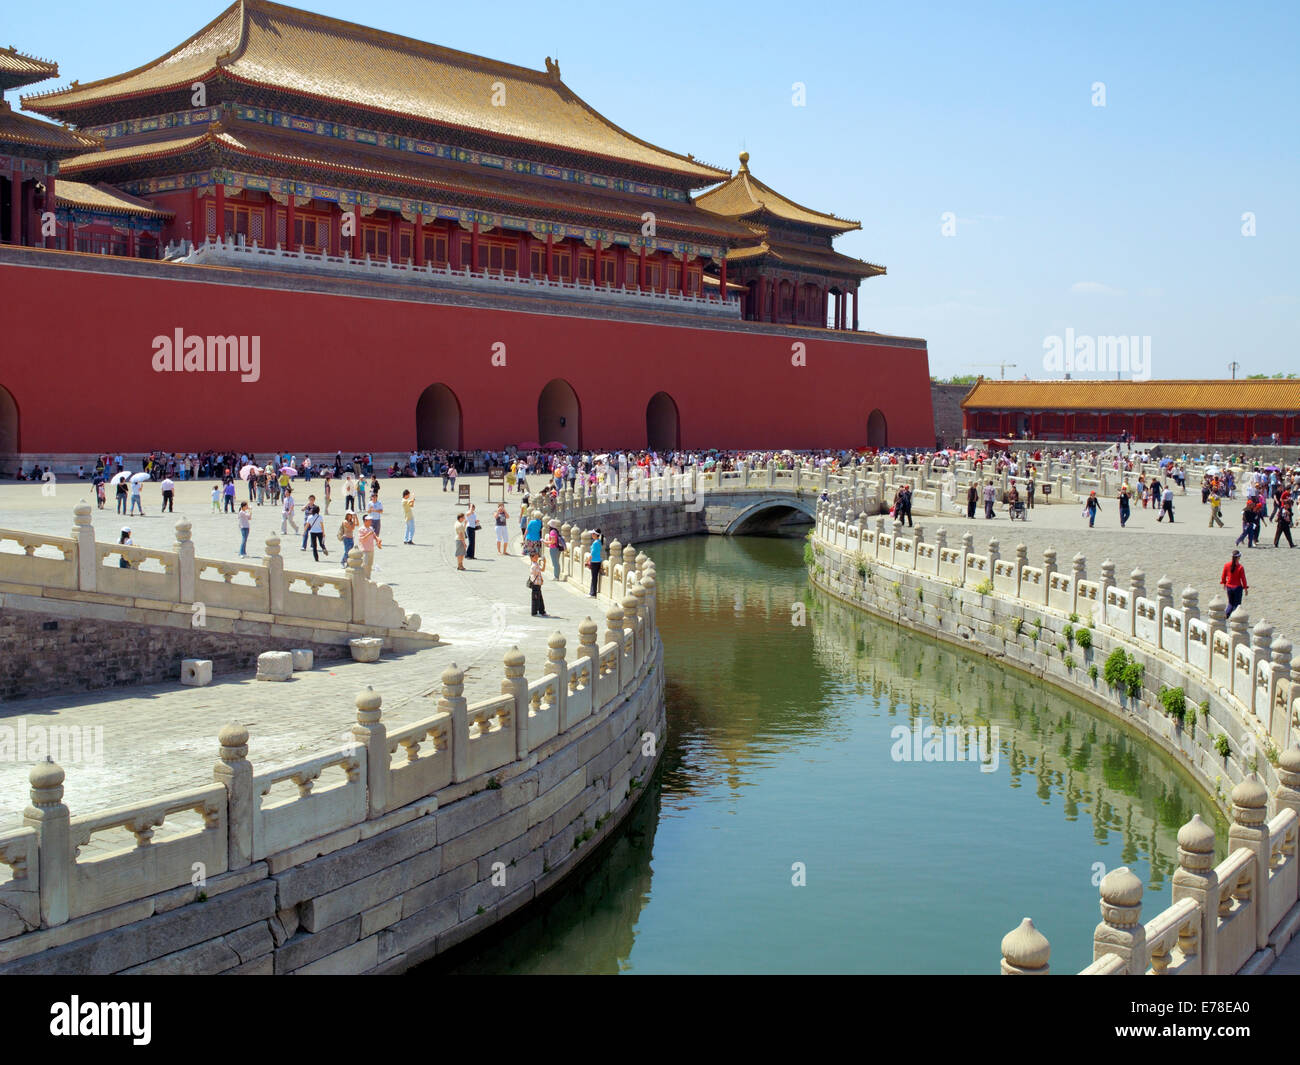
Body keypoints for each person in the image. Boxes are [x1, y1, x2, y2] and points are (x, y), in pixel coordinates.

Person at [1221, 549, 1248, 617]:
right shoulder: (1240, 567)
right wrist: (1245, 588)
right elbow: (1243, 579)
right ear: (1238, 557)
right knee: (1237, 605)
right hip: (1237, 587)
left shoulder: (1226, 565)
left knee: (1230, 604)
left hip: (1229, 587)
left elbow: (1223, 576)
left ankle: (1226, 615)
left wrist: (1224, 583)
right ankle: (1234, 617)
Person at [589, 528, 604, 597]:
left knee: (594, 578)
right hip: (598, 561)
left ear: (595, 535)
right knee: (594, 577)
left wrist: (587, 561)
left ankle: (593, 593)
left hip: (594, 562)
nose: (591, 535)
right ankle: (592, 592)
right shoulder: (599, 542)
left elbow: (592, 553)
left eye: (593, 534)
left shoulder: (595, 543)